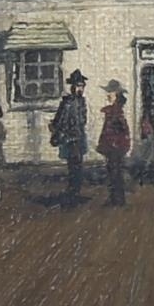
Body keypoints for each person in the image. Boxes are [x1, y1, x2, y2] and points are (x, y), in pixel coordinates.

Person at [48, 69, 89, 205]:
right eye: (78, 86)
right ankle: (72, 193)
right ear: (73, 87)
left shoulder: (81, 102)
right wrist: (60, 131)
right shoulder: (67, 103)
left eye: (82, 86)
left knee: (77, 166)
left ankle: (75, 192)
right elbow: (60, 120)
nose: (80, 88)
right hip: (71, 139)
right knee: (73, 166)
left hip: (79, 137)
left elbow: (83, 120)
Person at [97, 79, 132, 209]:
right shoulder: (113, 111)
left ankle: (118, 199)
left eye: (110, 93)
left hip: (115, 147)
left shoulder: (116, 112)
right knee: (113, 173)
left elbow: (120, 130)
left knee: (115, 173)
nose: (108, 95)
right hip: (112, 146)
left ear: (116, 95)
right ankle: (115, 198)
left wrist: (114, 143)